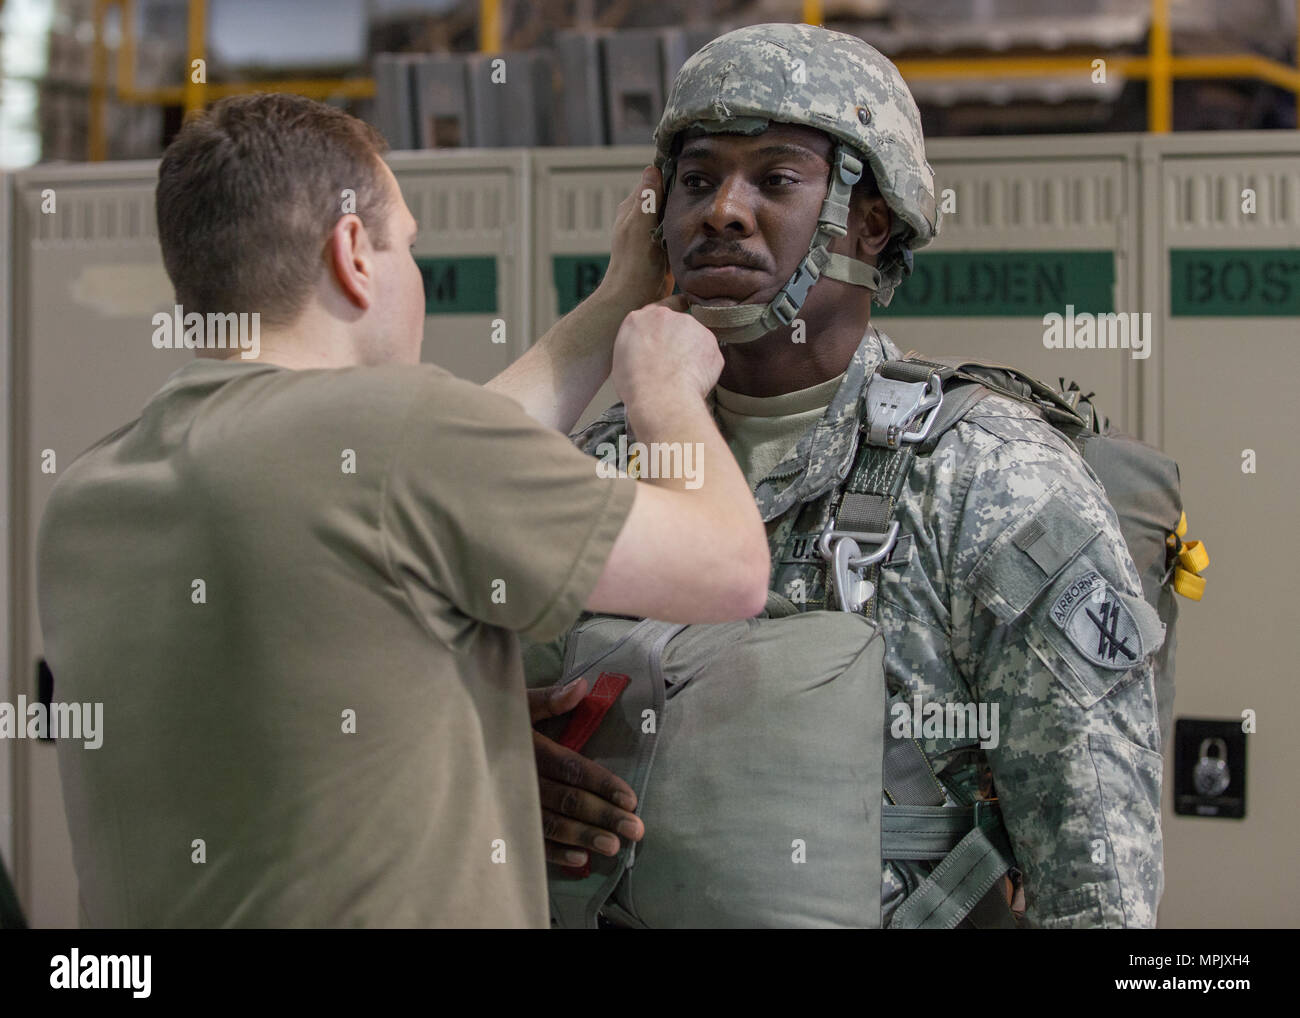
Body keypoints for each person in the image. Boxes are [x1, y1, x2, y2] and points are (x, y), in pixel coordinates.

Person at [35, 92, 770, 928]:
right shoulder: (399, 435)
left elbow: (411, 495)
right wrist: (665, 391)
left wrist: (616, 303)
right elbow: (731, 568)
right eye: (410, 248)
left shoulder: (90, 495)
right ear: (353, 252)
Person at [525, 23, 1166, 928]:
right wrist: (506, 765)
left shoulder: (989, 480)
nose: (722, 211)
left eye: (776, 180)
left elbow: (1097, 875)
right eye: (697, 180)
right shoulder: (602, 467)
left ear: (871, 222)